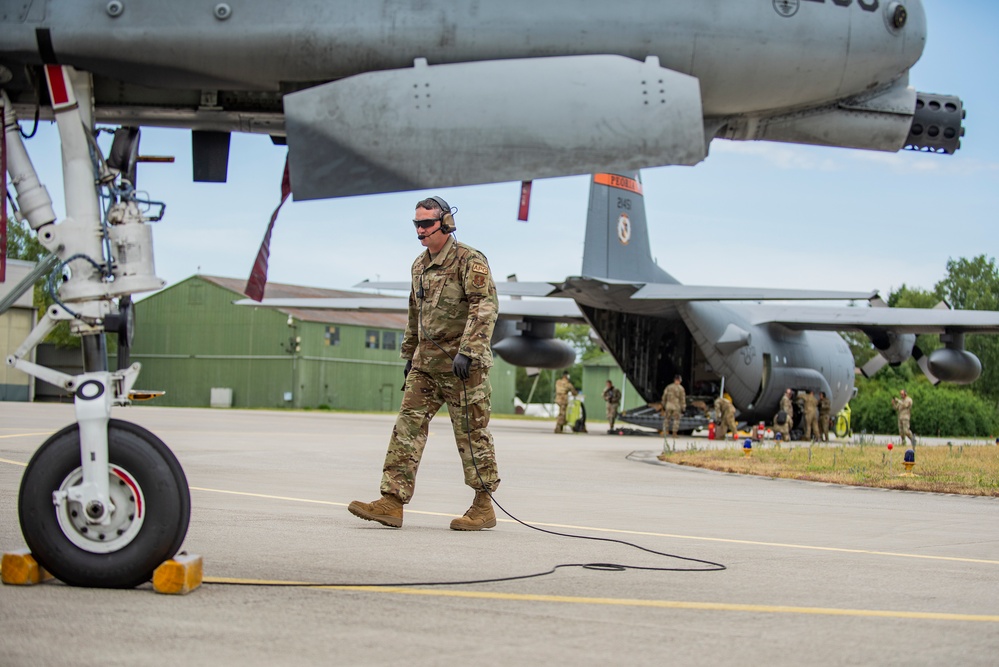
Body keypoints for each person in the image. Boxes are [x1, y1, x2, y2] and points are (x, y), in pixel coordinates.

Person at [349, 196, 500, 531]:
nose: (420, 230)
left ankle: (483, 506)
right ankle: (392, 501)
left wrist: (469, 351)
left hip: (463, 368)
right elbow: (414, 314)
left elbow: (484, 307)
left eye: (426, 223)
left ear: (445, 223)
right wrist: (409, 355)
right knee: (407, 427)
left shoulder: (469, 260)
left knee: (472, 435)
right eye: (416, 224)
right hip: (426, 365)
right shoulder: (419, 265)